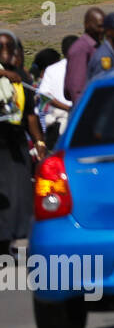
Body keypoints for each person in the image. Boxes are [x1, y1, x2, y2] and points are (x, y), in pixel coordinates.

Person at [0, 31, 43, 255]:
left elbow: (30, 114)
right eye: (1, 47)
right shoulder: (6, 74)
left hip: (16, 140)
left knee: (19, 191)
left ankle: (11, 237)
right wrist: (4, 73)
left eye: (10, 47)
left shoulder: (21, 76)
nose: (6, 52)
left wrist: (39, 141)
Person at [63, 7, 104, 106]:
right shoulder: (81, 49)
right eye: (99, 26)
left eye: (104, 26)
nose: (103, 30)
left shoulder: (96, 46)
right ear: (87, 25)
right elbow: (76, 90)